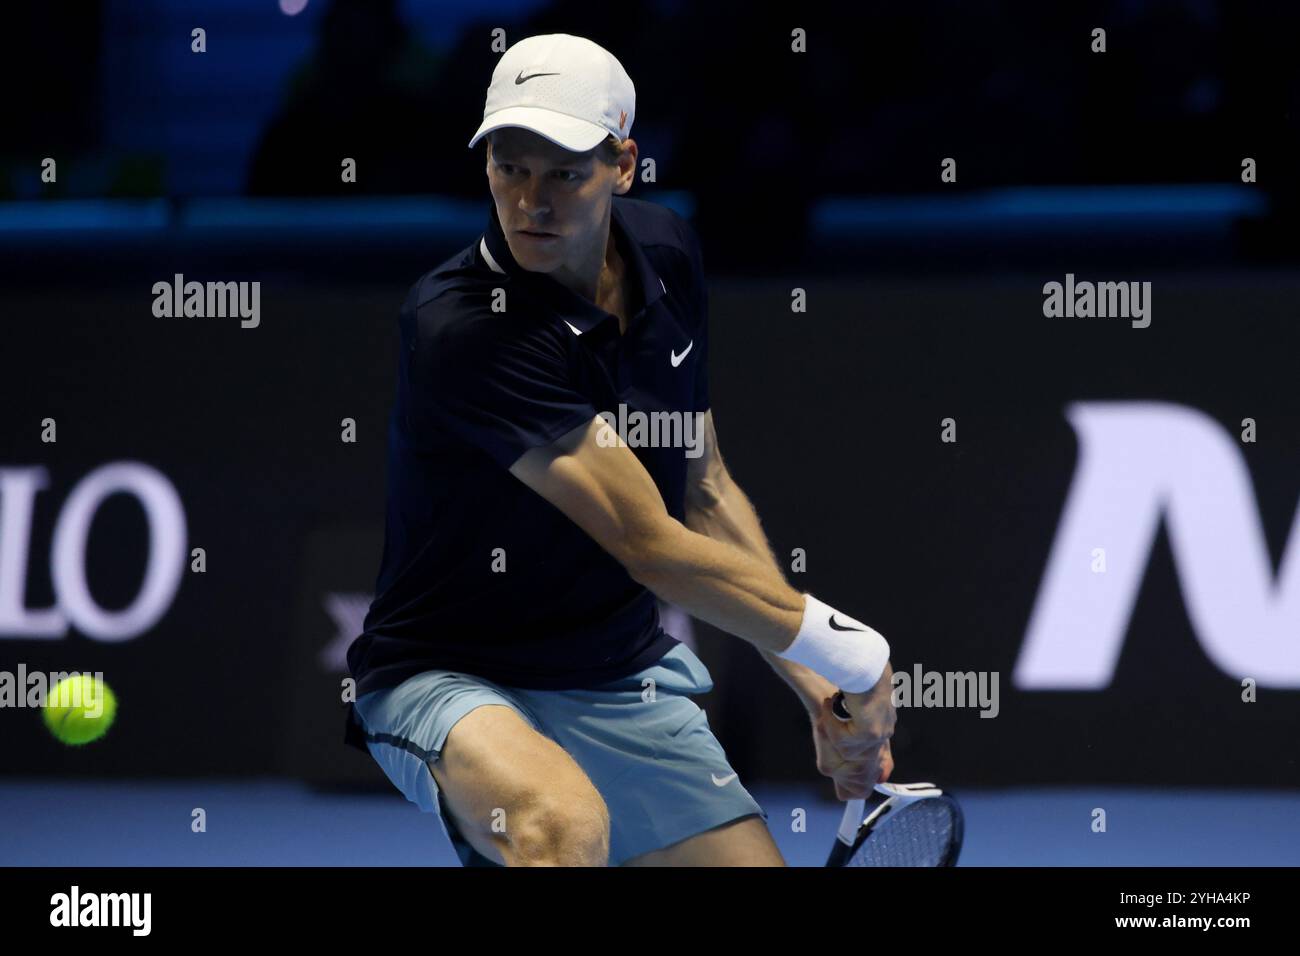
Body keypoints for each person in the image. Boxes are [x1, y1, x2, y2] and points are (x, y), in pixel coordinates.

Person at [344, 33, 896, 866]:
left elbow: (702, 488)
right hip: (447, 672)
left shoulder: (667, 255)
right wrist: (851, 653)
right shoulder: (461, 324)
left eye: (564, 172)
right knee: (558, 828)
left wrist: (813, 685)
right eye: (509, 166)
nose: (531, 200)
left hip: (614, 673)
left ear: (624, 164)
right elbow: (650, 546)